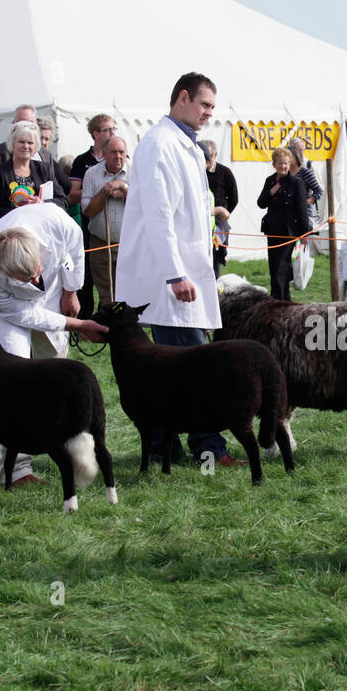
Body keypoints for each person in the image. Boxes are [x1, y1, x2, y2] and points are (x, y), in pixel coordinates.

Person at [114, 72, 246, 469]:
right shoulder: (159, 144)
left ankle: (161, 444)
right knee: (195, 366)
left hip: (180, 272)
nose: (209, 113)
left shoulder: (183, 144)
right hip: (168, 278)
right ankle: (208, 446)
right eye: (204, 104)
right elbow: (159, 215)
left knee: (169, 368)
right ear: (182, 97)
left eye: (212, 107)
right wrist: (175, 274)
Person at [0, 202, 109, 486]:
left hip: (55, 289)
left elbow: (76, 248)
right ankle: (16, 470)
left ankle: (62, 443)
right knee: (15, 380)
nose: (35, 280)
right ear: (5, 272)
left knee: (54, 370)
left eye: (36, 271)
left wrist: (71, 290)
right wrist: (79, 326)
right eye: (27, 278)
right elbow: (25, 315)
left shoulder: (55, 222)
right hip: (7, 310)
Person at [68, 113, 117, 313]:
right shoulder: (82, 161)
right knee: (87, 276)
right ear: (96, 134)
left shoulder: (121, 157)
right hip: (91, 227)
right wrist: (100, 191)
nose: (112, 132)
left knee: (116, 281)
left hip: (117, 228)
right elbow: (72, 194)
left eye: (114, 129)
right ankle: (85, 316)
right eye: (108, 129)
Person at [0, 121, 67, 223]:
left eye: (30, 143)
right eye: (21, 142)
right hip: (9, 231)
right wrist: (22, 213)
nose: (26, 146)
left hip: (40, 230)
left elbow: (62, 202)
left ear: (36, 147)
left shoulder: (44, 169)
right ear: (12, 144)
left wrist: (42, 203)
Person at [80, 135, 130, 305]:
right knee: (107, 295)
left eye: (122, 152)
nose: (118, 156)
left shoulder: (137, 171)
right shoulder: (92, 174)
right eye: (114, 152)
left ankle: (128, 328)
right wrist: (105, 192)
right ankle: (109, 329)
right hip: (101, 243)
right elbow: (87, 211)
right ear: (104, 154)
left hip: (130, 244)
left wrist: (123, 187)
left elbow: (145, 207)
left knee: (129, 293)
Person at [257, 146, 311, 300]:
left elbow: (302, 211)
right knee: (274, 269)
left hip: (289, 233)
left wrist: (304, 234)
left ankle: (277, 301)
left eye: (286, 163)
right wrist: (273, 190)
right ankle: (283, 301)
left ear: (290, 164)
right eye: (280, 163)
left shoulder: (296, 183)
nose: (283, 166)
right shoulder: (270, 181)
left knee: (281, 269)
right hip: (272, 231)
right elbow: (261, 203)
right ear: (274, 164)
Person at [200, 139, 238, 277]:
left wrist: (223, 214)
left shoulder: (224, 172)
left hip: (218, 223)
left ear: (215, 155)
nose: (207, 160)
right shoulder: (195, 174)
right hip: (200, 224)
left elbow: (234, 198)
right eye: (203, 156)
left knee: (215, 259)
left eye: (208, 156)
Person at [0, 104, 51, 175]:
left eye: (29, 123)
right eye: (20, 123)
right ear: (13, 124)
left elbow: (53, 182)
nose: (25, 127)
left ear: (36, 124)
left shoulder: (45, 154)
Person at [287, 136, 324, 228]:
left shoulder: (308, 165)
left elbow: (319, 188)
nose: (300, 152)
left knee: (303, 237)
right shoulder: (285, 169)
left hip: (303, 211)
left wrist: (307, 201)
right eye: (297, 150)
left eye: (302, 149)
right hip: (288, 213)